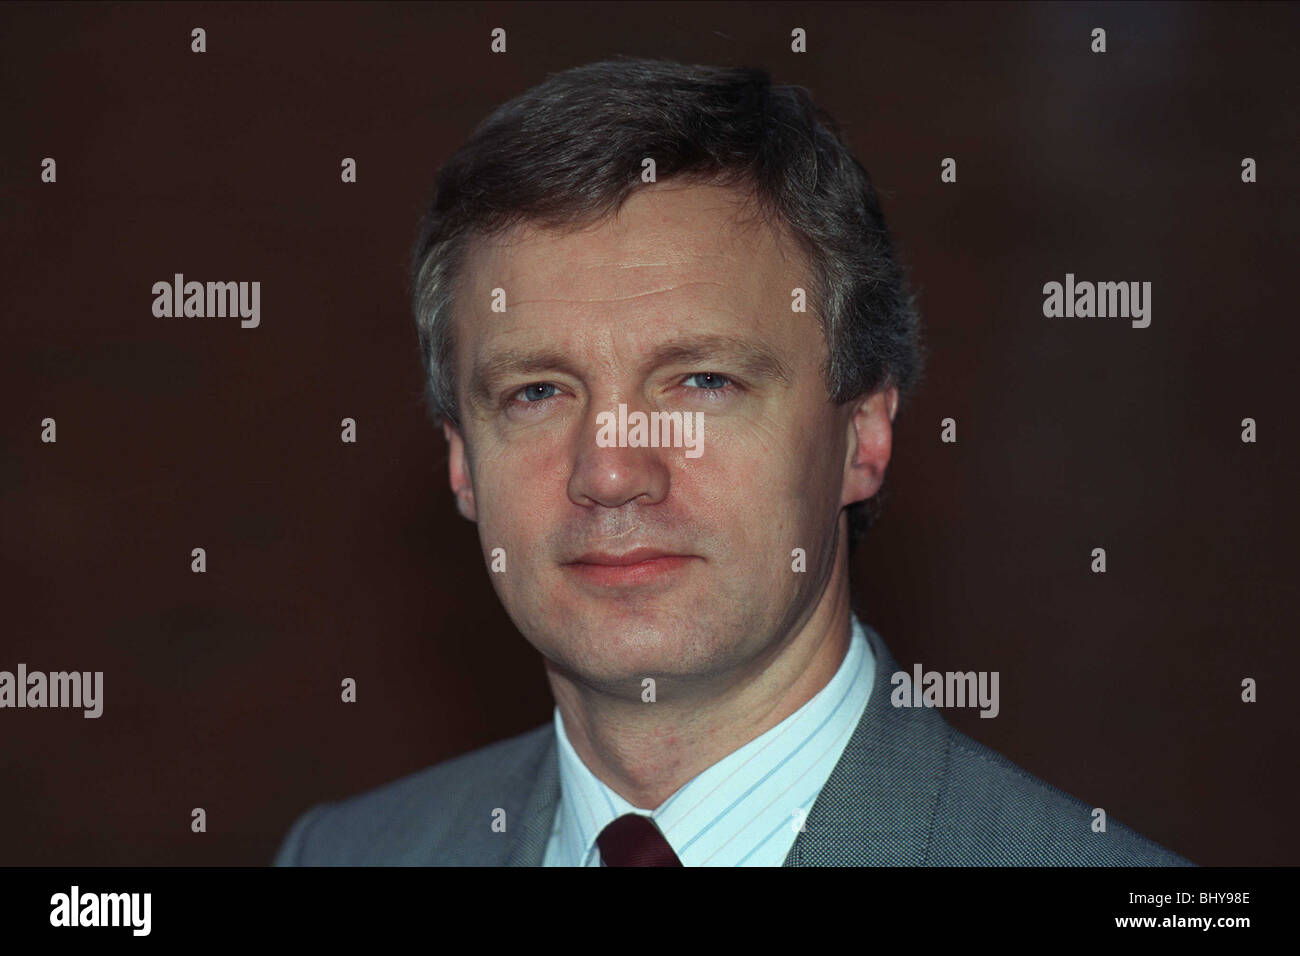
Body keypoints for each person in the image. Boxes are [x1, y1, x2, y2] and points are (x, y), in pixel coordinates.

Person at [274, 57, 1191, 866]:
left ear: (863, 435)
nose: (612, 472)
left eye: (702, 381)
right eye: (538, 392)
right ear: (462, 464)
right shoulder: (346, 854)